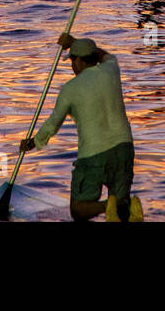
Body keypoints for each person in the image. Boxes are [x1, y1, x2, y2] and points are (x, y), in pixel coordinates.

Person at [19, 32, 143, 222]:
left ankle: (111, 205)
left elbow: (53, 123)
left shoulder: (70, 89)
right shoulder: (112, 69)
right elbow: (105, 55)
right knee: (121, 213)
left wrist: (33, 142)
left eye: (72, 60)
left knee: (78, 210)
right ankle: (124, 207)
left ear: (78, 61)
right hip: (124, 147)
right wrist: (73, 42)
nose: (72, 65)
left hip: (94, 153)